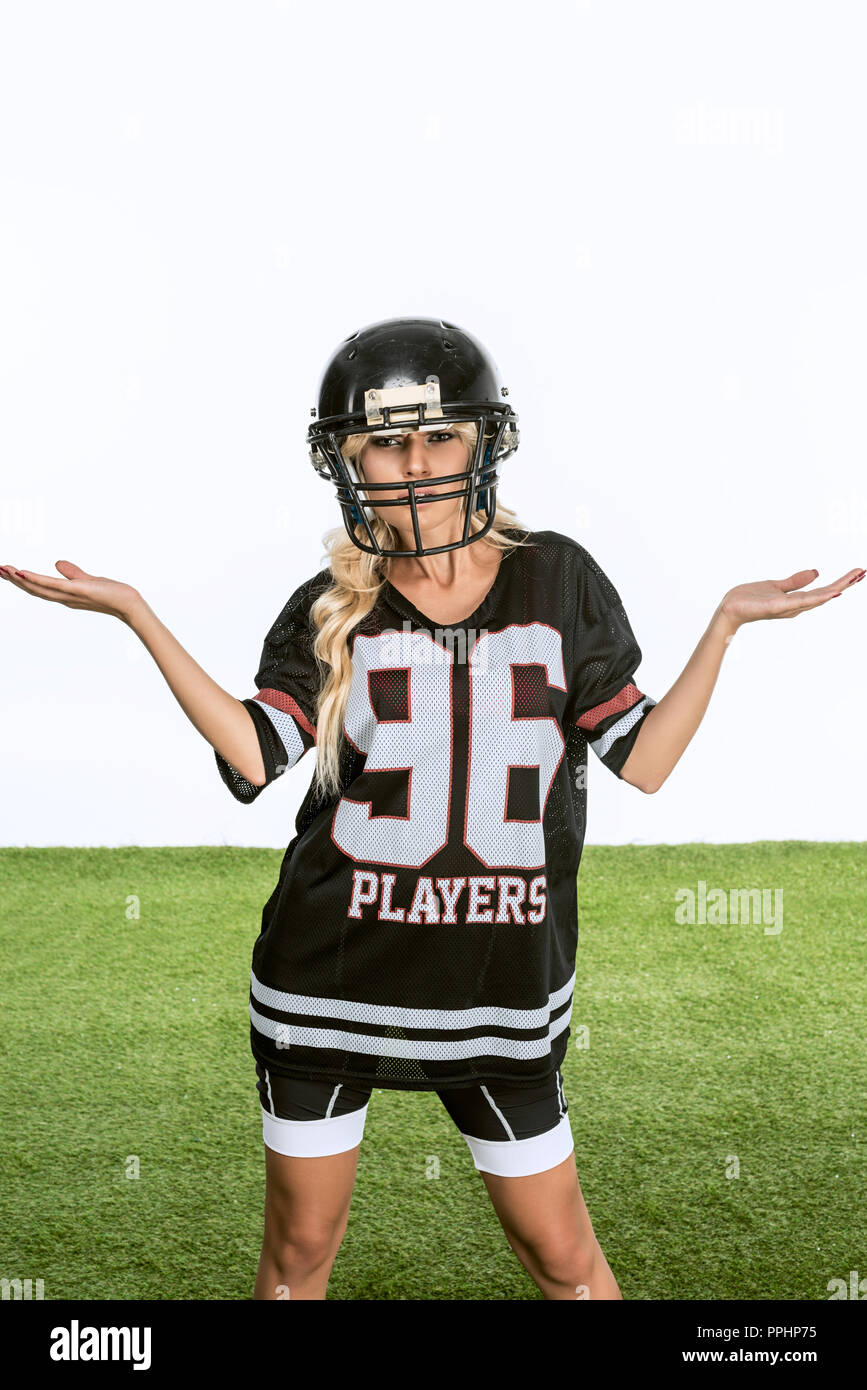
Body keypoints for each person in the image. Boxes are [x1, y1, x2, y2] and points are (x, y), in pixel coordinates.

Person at [2, 316, 862, 1303]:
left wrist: (724, 627)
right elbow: (253, 751)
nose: (415, 465)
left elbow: (646, 761)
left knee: (567, 1261)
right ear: (347, 461)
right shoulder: (332, 601)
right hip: (326, 984)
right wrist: (137, 613)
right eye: (386, 441)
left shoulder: (559, 576)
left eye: (438, 434)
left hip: (498, 991)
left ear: (484, 442)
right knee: (295, 1263)